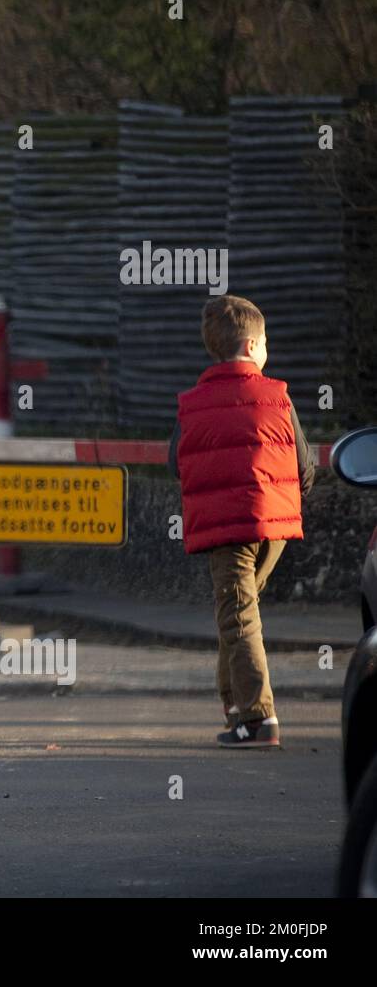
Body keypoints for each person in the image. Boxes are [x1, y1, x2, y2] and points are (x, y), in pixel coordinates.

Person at [167, 294, 314, 749]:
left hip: (227, 529)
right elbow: (305, 465)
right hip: (275, 527)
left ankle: (257, 717)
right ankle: (236, 708)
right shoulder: (278, 397)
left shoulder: (193, 404)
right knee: (238, 615)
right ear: (252, 346)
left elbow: (175, 462)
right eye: (266, 342)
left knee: (238, 620)